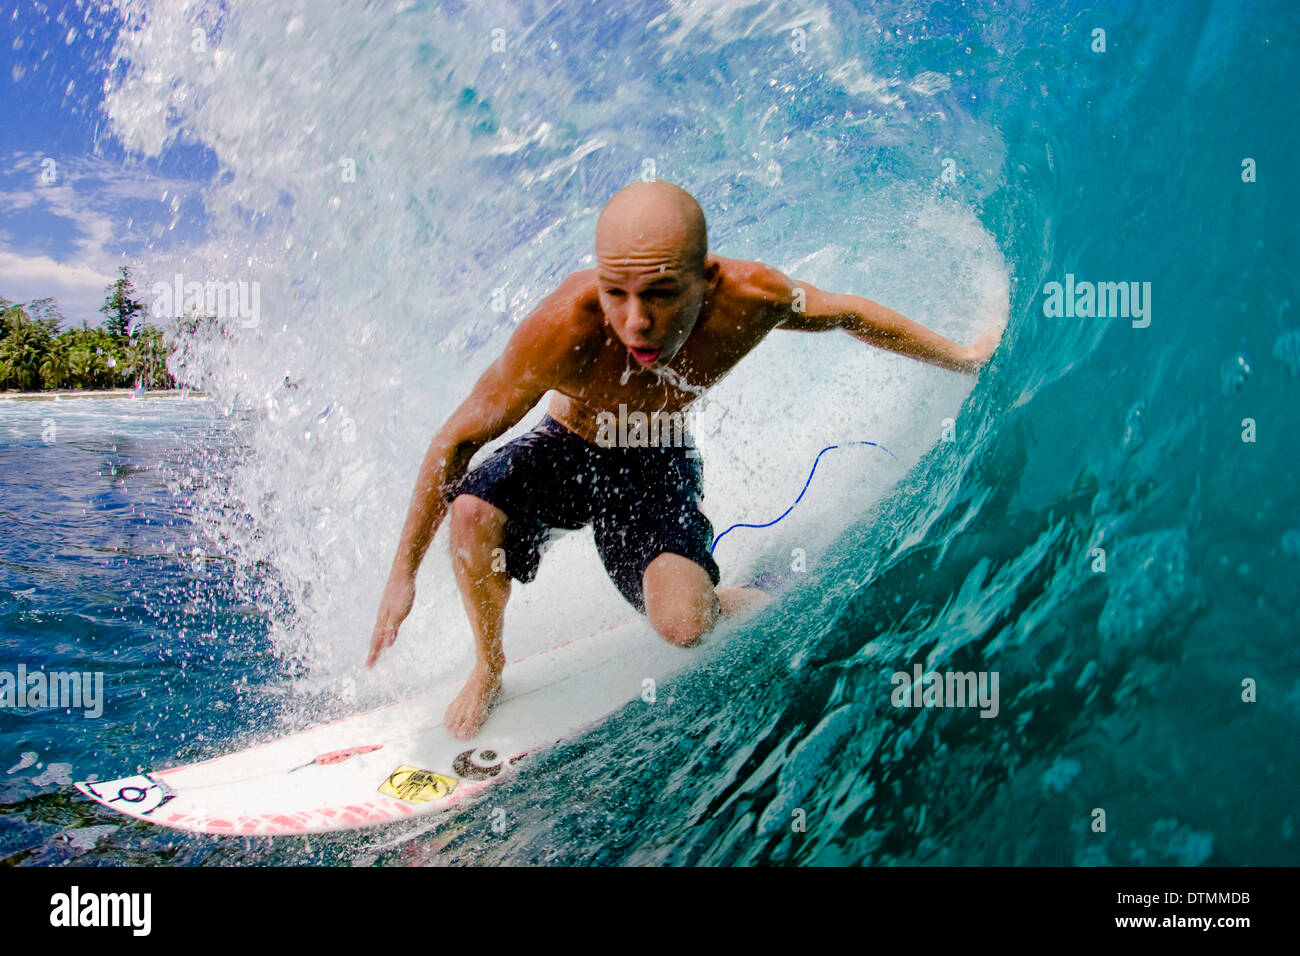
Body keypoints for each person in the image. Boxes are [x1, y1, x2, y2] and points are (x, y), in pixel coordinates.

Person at [366, 180, 1004, 739]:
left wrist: (964, 356)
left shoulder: (755, 298)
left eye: (662, 294)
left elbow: (849, 314)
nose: (635, 323)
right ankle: (489, 666)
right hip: (566, 451)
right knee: (474, 511)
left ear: (707, 277)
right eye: (616, 293)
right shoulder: (561, 328)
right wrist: (403, 576)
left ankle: (735, 597)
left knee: (684, 626)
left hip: (654, 462)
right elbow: (454, 442)